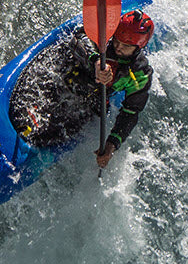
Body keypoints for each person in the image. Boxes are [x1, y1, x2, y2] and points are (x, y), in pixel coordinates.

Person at [8, 10, 155, 169]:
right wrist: (96, 60)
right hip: (65, 73)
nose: (118, 47)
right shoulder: (104, 37)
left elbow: (131, 112)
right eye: (117, 41)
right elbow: (77, 38)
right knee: (22, 109)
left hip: (89, 97)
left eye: (125, 46)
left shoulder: (141, 73)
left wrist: (111, 145)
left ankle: (29, 142)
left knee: (45, 136)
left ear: (139, 46)